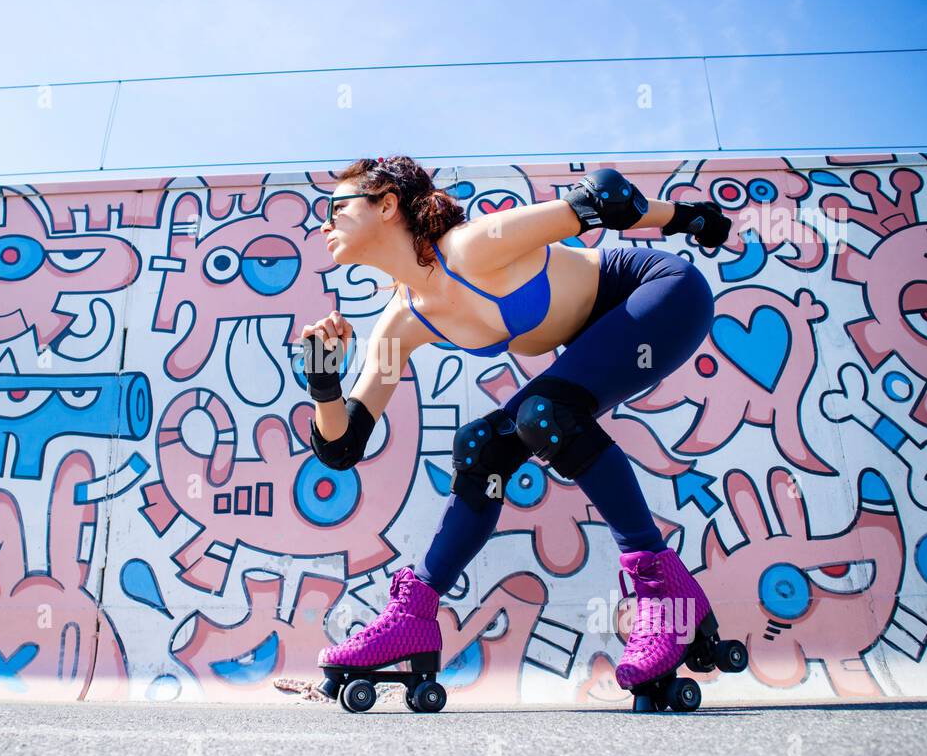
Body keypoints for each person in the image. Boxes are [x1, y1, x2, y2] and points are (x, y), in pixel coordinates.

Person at [299, 155, 731, 698]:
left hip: (660, 293)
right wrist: (323, 385)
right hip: (598, 335)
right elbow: (342, 447)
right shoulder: (402, 323)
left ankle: (662, 593)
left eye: (335, 208)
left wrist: (688, 218)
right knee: (480, 448)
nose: (324, 223)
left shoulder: (473, 246)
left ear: (386, 205)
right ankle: (413, 618)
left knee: (546, 416)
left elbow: (604, 197)